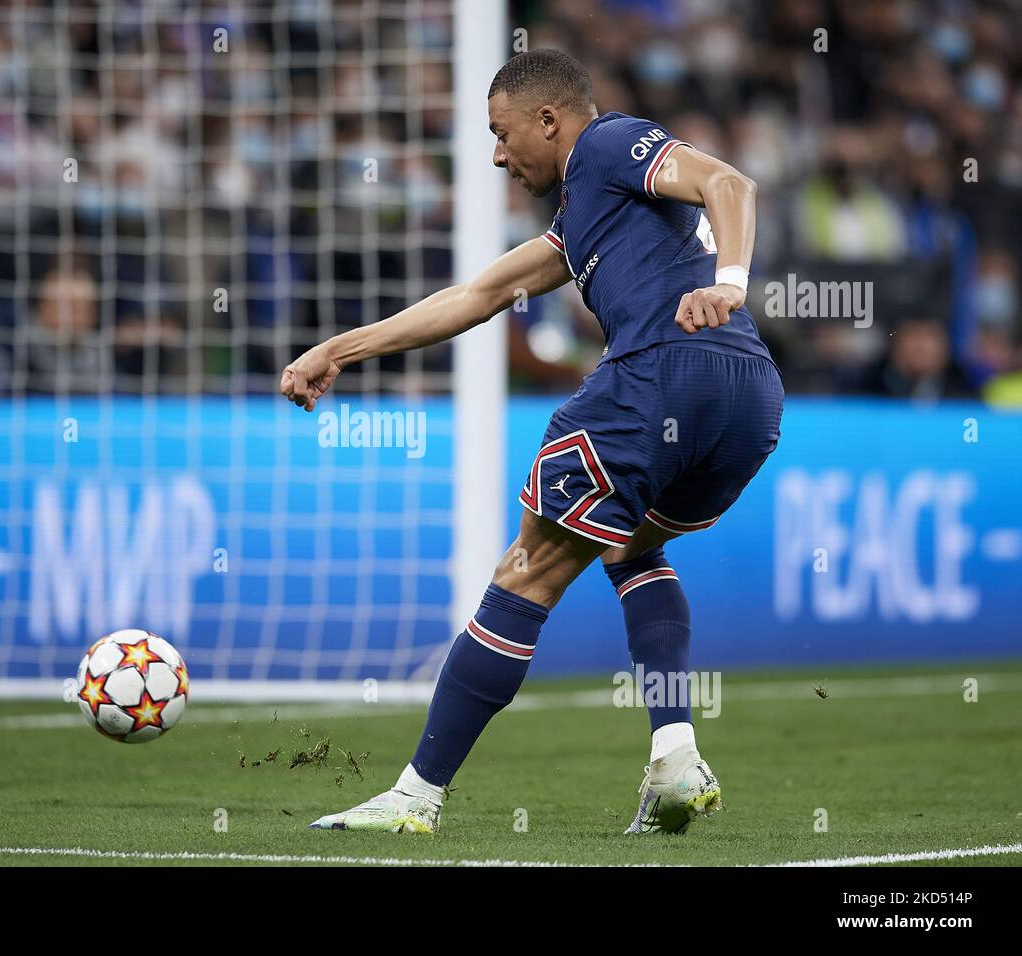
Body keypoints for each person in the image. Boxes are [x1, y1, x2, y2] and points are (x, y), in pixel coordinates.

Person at [280, 50, 783, 835]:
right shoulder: (584, 215)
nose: (496, 154)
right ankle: (676, 757)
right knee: (631, 551)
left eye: (501, 133)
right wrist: (337, 350)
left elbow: (731, 184)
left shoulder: (611, 145)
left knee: (523, 578)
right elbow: (475, 296)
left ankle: (415, 795)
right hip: (746, 398)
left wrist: (731, 282)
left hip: (659, 375)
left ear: (549, 120)